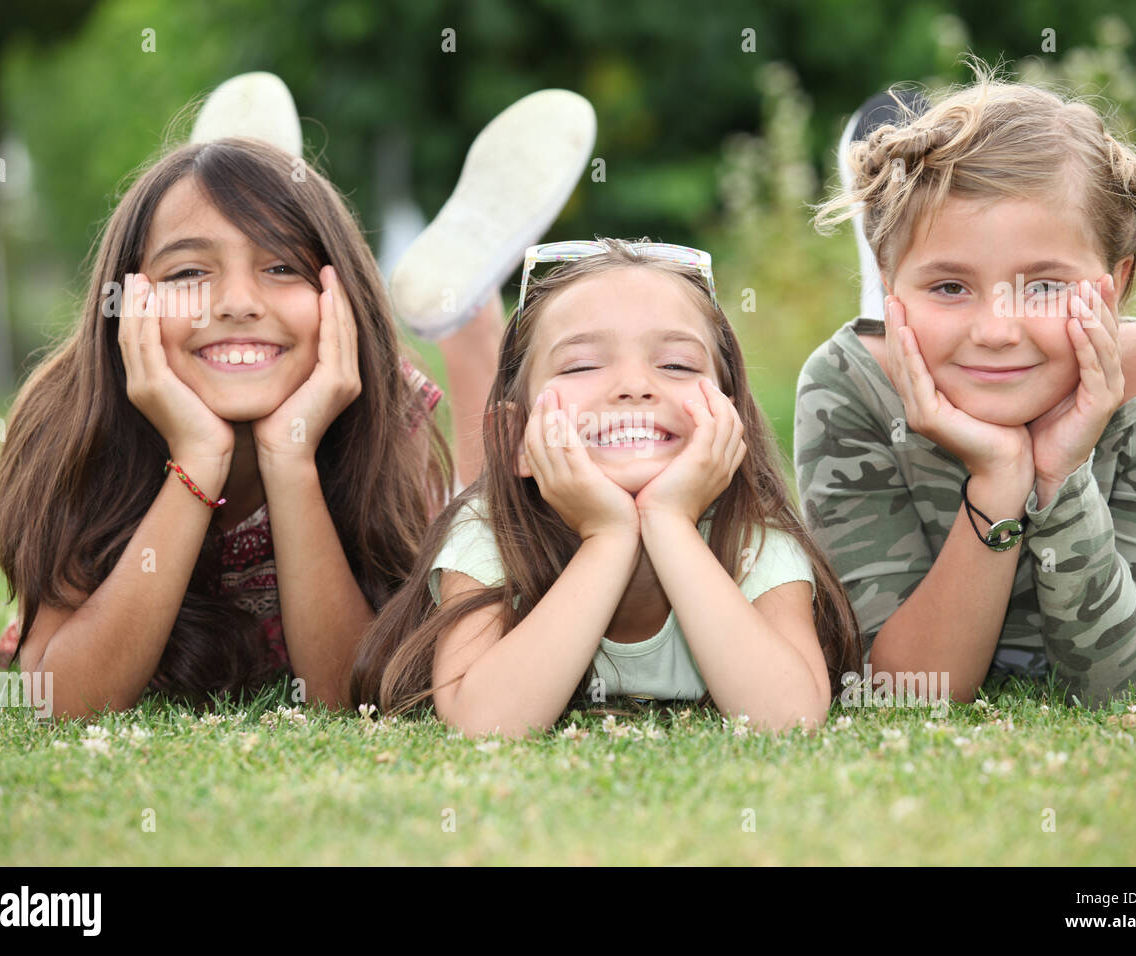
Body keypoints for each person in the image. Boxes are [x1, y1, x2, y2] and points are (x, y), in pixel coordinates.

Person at [0, 75, 594, 718]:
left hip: (397, 441)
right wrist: (195, 458)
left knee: (487, 517)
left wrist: (290, 458)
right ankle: (251, 180)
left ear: (341, 299)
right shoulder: (74, 416)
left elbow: (345, 698)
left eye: (282, 267)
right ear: (129, 302)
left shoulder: (380, 410)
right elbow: (63, 702)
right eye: (188, 271)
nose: (239, 304)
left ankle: (464, 302)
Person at [799, 62, 1136, 707]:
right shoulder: (848, 388)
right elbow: (905, 691)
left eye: (1045, 285)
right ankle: (908, 272)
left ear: (1120, 282)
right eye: (952, 285)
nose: (998, 331)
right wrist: (1000, 481)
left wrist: (1060, 476)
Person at [352, 238, 862, 738]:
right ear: (515, 438)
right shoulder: (489, 533)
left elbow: (789, 719)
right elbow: (483, 724)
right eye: (582, 365)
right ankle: (469, 322)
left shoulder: (757, 538)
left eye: (677, 365)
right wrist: (607, 535)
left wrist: (669, 521)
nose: (634, 385)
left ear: (730, 419)